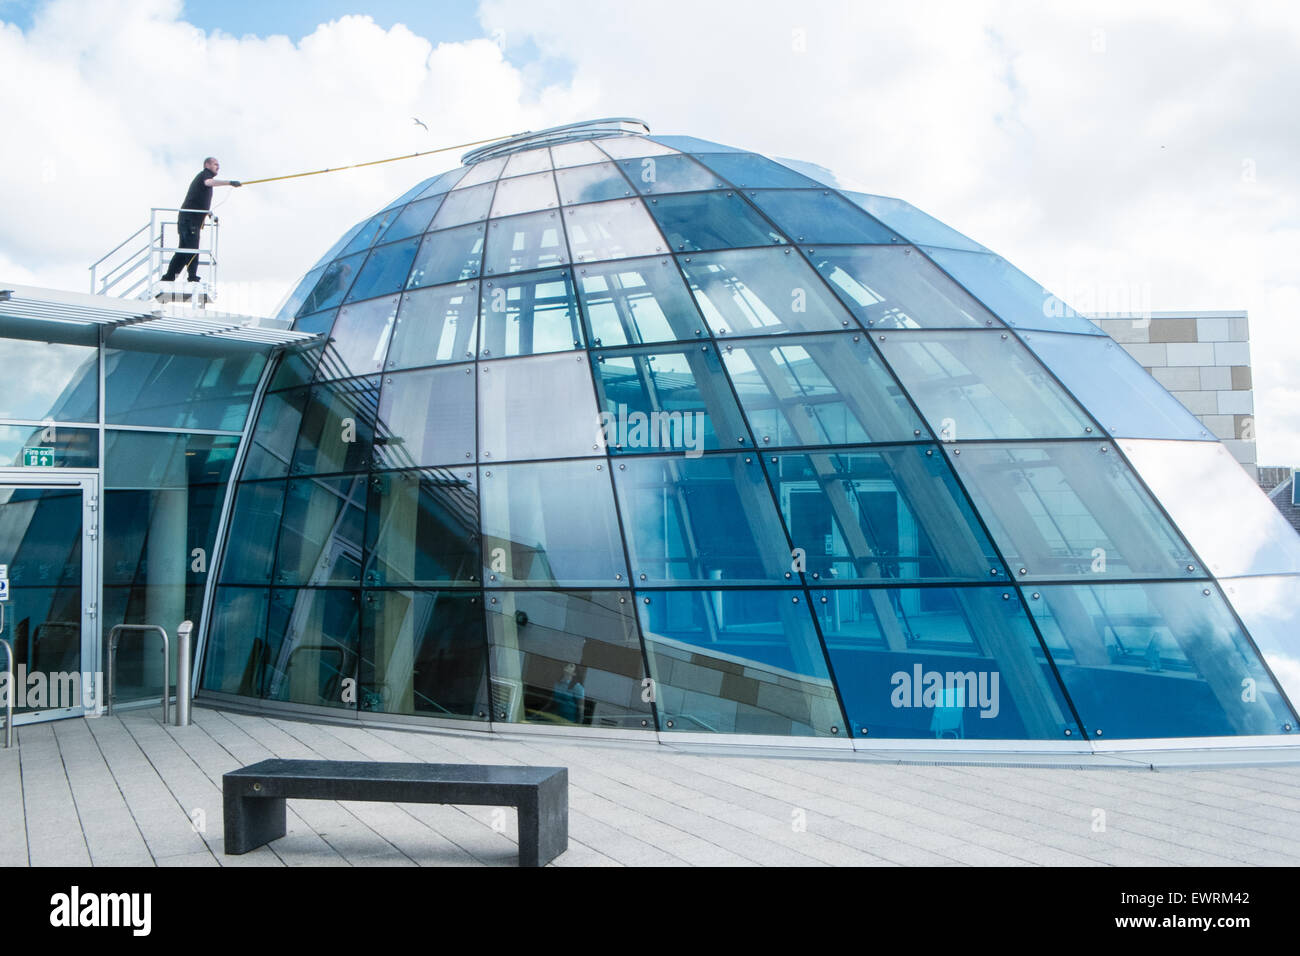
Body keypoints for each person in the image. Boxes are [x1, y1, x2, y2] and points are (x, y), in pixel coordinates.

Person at [160, 157, 241, 282]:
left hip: (188, 219)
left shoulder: (203, 176)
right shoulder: (205, 175)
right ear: (207, 165)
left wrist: (208, 213)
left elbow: (199, 198)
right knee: (192, 247)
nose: (218, 167)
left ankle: (168, 278)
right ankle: (192, 277)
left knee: (183, 250)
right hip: (189, 220)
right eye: (215, 164)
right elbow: (208, 182)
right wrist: (230, 182)